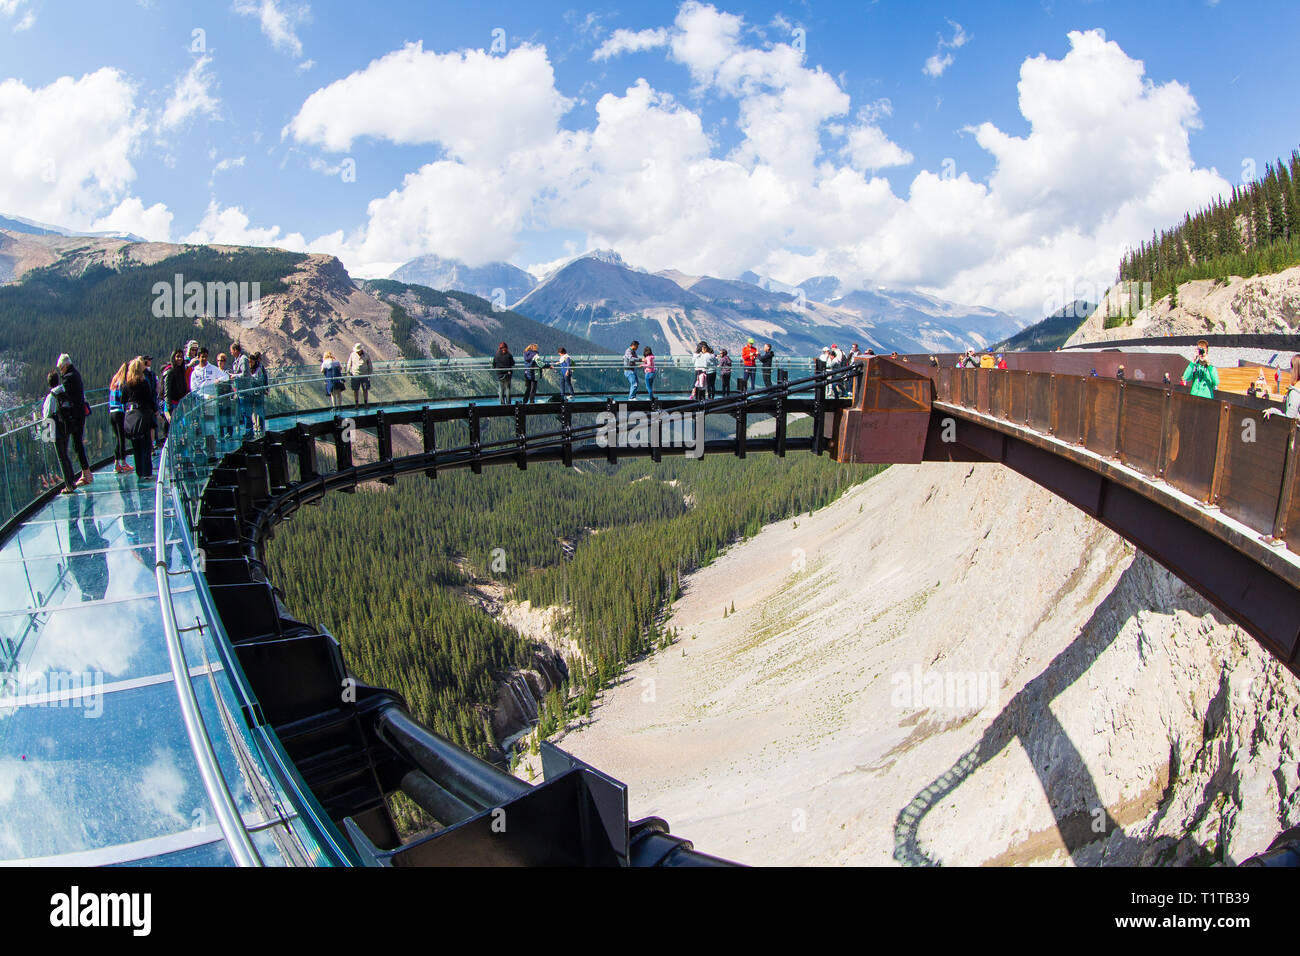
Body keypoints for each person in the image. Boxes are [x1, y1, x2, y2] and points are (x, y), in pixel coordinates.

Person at [56, 354, 92, 487]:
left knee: (77, 445)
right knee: (78, 444)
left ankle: (86, 474)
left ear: (65, 365)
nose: (61, 371)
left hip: (75, 415)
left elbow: (63, 393)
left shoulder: (68, 378)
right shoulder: (75, 374)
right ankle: (86, 473)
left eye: (61, 368)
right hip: (80, 413)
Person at [42, 370, 79, 494]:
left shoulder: (51, 396)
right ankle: (72, 481)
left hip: (56, 430)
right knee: (66, 456)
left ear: (49, 383)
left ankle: (68, 485)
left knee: (61, 457)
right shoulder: (63, 392)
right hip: (66, 428)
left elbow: (47, 415)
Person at [121, 357, 156, 480]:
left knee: (136, 446)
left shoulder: (127, 385)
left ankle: (139, 472)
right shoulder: (144, 383)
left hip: (131, 416)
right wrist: (155, 411)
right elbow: (149, 398)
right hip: (143, 415)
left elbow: (123, 400)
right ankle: (147, 472)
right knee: (145, 444)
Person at [107, 363, 133, 475]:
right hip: (119, 412)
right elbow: (124, 400)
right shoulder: (123, 383)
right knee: (121, 439)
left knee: (118, 438)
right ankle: (123, 463)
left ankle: (116, 463)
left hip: (112, 412)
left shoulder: (114, 382)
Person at [161, 349, 189, 436]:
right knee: (173, 430)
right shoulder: (170, 372)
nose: (179, 359)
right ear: (173, 358)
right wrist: (169, 409)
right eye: (177, 356)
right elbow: (167, 392)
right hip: (171, 405)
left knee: (181, 431)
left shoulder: (182, 372)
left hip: (180, 404)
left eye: (181, 357)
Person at [247, 351, 268, 434]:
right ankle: (255, 426)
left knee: (259, 410)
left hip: (259, 392)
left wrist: (265, 389)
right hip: (251, 393)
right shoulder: (248, 369)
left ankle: (261, 428)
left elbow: (263, 379)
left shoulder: (259, 368)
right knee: (253, 411)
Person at [346, 343, 372, 409]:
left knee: (365, 390)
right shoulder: (352, 355)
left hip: (364, 375)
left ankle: (366, 404)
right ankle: (356, 404)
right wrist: (348, 371)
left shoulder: (366, 355)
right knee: (355, 390)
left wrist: (369, 374)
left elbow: (370, 365)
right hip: (355, 375)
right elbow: (349, 363)